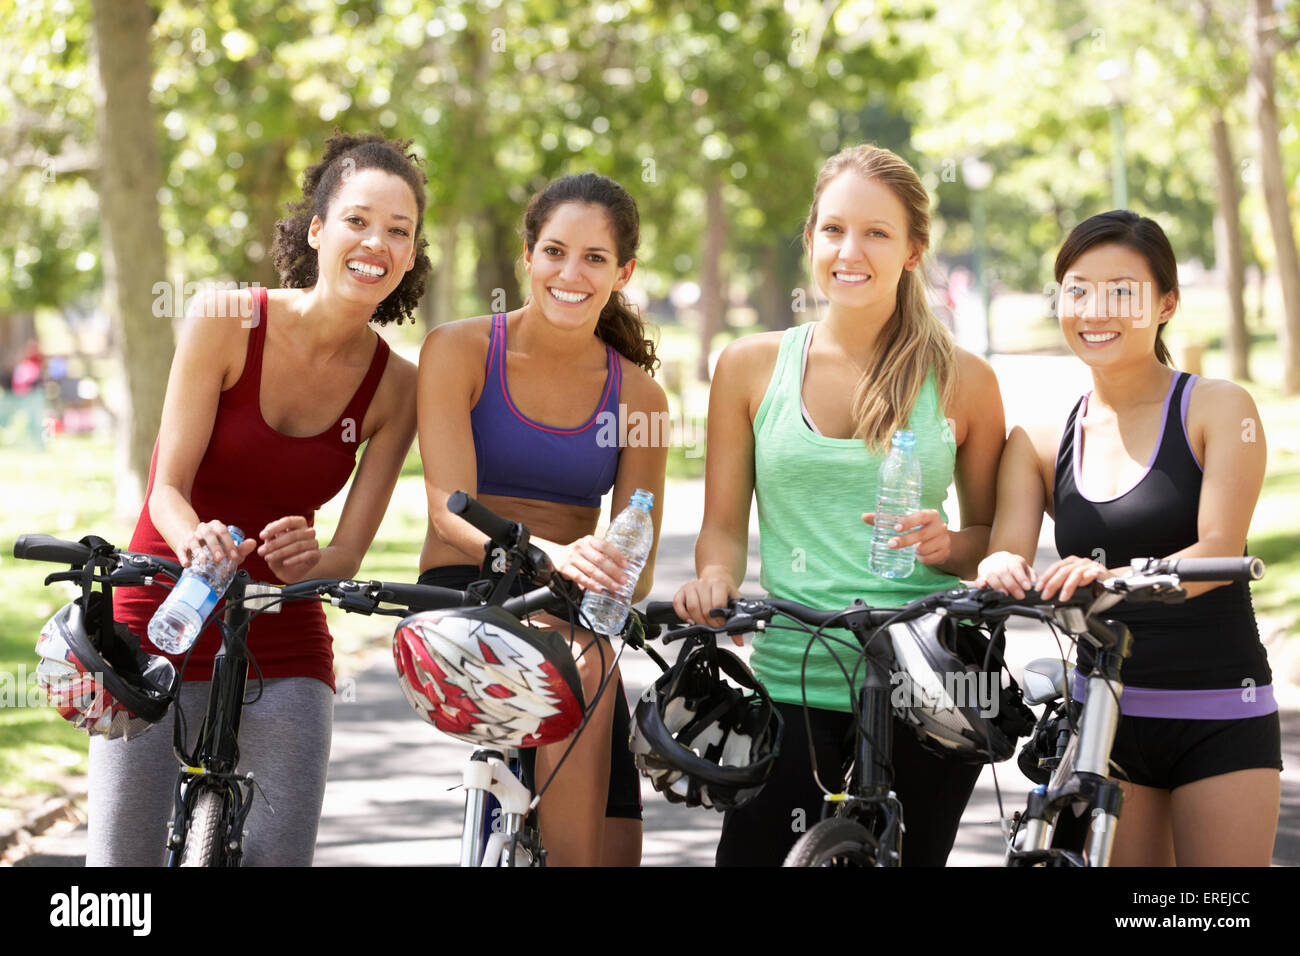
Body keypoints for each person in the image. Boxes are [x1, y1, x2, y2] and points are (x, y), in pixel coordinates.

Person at [95, 131, 427, 866]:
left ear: (410, 256)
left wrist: (317, 557)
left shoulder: (398, 387)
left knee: (280, 853)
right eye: (357, 220)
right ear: (317, 229)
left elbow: (345, 554)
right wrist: (193, 540)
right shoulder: (226, 318)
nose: (376, 242)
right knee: (119, 867)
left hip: (282, 622)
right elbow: (168, 489)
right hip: (162, 605)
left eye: (398, 232)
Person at [673, 144, 1007, 866]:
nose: (849, 251)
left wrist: (947, 543)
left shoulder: (964, 381)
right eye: (833, 230)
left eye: (877, 233)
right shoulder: (749, 367)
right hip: (794, 676)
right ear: (811, 240)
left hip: (924, 691)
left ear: (914, 249)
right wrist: (714, 578)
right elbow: (724, 527)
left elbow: (992, 541)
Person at [976, 210, 1280, 866]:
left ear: (1166, 303)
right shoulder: (1038, 434)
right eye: (1078, 289)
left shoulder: (1219, 408)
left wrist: (1104, 579)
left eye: (1123, 290)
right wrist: (998, 564)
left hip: (1221, 710)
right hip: (1103, 723)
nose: (1095, 309)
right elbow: (1008, 549)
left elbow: (1219, 551)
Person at [416, 172, 668, 866]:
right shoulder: (457, 349)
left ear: (624, 273)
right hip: (469, 573)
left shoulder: (641, 396)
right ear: (528, 256)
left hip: (575, 597)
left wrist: (609, 570)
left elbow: (636, 567)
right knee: (584, 661)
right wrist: (552, 553)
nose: (570, 273)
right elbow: (446, 509)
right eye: (555, 251)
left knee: (623, 848)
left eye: (594, 258)